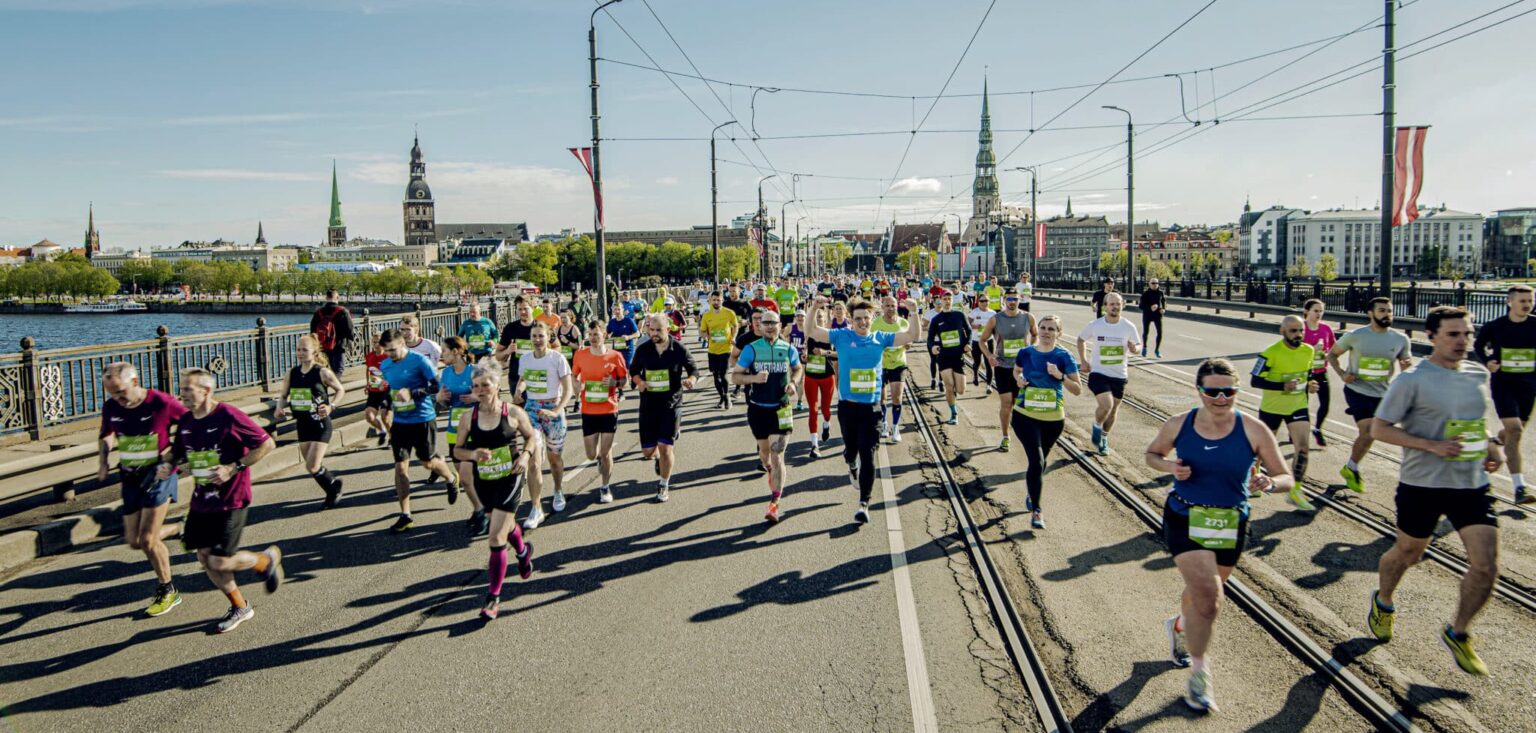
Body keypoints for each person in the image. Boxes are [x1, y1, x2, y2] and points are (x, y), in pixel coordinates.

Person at [1145, 358, 1292, 713]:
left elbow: (1286, 477)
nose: (1222, 398)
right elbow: (1152, 455)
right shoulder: (1180, 423)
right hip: (1185, 516)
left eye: (1229, 392)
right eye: (1213, 392)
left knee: (1202, 596)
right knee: (1210, 599)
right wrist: (1169, 466)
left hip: (1231, 521)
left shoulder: (1254, 429)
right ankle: (1199, 674)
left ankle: (1180, 626)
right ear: (1199, 391)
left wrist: (1269, 483)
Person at [1367, 306, 1503, 676]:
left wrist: (1491, 446)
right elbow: (1380, 429)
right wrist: (1431, 445)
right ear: (1432, 337)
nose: (1463, 341)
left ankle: (1458, 632)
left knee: (1486, 566)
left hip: (1471, 484)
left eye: (1467, 334)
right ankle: (1384, 600)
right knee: (1408, 553)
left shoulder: (1476, 373)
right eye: (1453, 334)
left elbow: (1476, 422)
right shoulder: (1412, 379)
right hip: (1422, 484)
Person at [156, 367, 283, 634]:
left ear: (206, 391)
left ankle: (263, 561)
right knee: (204, 557)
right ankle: (240, 607)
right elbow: (177, 452)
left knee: (219, 561)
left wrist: (232, 468)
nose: (182, 395)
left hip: (231, 499)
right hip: (202, 502)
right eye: (181, 389)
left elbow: (266, 443)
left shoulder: (227, 415)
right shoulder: (187, 421)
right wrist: (167, 465)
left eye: (188, 390)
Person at [804, 296, 921, 523]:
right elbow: (811, 331)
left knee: (868, 454)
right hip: (848, 407)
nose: (862, 322)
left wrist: (915, 312)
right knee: (851, 450)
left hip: (872, 408)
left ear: (872, 318)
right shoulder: (842, 336)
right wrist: (814, 308)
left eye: (866, 318)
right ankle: (850, 462)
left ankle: (864, 503)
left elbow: (912, 336)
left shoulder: (880, 338)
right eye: (857, 318)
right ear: (851, 319)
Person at [98, 362, 187, 617]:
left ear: (135, 382)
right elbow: (106, 433)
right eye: (111, 393)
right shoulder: (111, 406)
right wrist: (103, 461)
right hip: (130, 477)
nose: (117, 399)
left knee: (148, 540)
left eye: (120, 392)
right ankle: (180, 528)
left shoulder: (160, 402)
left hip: (159, 474)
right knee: (135, 541)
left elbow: (191, 423)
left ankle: (168, 590)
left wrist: (173, 453)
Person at [453, 369, 537, 621]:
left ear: (497, 385)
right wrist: (472, 454)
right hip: (485, 480)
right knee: (505, 527)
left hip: (510, 478)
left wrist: (525, 456)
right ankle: (522, 552)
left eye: (485, 385)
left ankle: (493, 597)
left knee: (495, 536)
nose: (480, 390)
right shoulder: (468, 417)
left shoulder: (513, 413)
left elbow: (531, 437)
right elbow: (457, 451)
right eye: (476, 386)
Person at [1328, 297, 1416, 498]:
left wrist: (1407, 367)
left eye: (1389, 311)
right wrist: (1342, 374)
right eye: (1382, 310)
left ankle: (1350, 466)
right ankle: (1353, 469)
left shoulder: (1400, 339)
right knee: (1368, 431)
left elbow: (1406, 365)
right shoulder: (1355, 336)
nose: (1387, 315)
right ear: (1371, 313)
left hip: (1383, 393)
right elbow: (1332, 355)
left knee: (1377, 433)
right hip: (1357, 390)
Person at [379, 327, 461, 533]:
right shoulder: (386, 365)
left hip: (423, 419)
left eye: (392, 350)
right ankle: (405, 515)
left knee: (427, 462)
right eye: (386, 350)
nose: (389, 354)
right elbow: (391, 390)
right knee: (400, 468)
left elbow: (437, 386)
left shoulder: (419, 361)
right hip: (400, 422)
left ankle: (451, 478)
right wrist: (385, 403)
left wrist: (412, 393)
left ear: (402, 344)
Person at [731, 309, 803, 524]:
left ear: (780, 325)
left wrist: (793, 383)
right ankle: (769, 468)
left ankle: (775, 502)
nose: (770, 327)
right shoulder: (751, 349)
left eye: (774, 323)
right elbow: (735, 377)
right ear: (759, 326)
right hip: (758, 409)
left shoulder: (788, 348)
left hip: (781, 408)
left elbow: (798, 369)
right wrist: (753, 378)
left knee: (777, 453)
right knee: (765, 453)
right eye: (766, 323)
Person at [1011, 315, 1081, 529]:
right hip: (1025, 415)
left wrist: (1060, 376)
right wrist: (1018, 380)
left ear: (1059, 333)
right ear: (1037, 330)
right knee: (1037, 461)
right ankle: (1037, 510)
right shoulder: (1025, 352)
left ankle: (1032, 492)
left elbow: (1077, 389)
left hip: (1052, 420)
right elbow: (1016, 370)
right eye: (1043, 327)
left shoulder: (1064, 356)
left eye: (1051, 329)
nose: (1046, 332)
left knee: (1040, 464)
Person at [1473, 284, 1536, 503]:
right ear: (1510, 302)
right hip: (1504, 384)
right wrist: (1488, 362)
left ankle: (1493, 441)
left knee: (1513, 433)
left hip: (1529, 386)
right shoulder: (1495, 326)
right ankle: (1519, 487)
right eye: (1522, 301)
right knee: (1515, 430)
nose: (1527, 305)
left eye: (1530, 301)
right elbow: (1478, 346)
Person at [1249, 315, 1319, 510]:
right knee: (1260, 450)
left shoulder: (1309, 350)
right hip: (1272, 408)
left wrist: (1311, 385)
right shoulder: (1270, 353)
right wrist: (1282, 385)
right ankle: (1252, 480)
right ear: (1282, 331)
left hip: (1298, 406)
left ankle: (1296, 489)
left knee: (1303, 448)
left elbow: (1308, 375)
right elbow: (1255, 381)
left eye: (1301, 330)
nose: (1298, 335)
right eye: (1293, 331)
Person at [629, 314, 699, 501]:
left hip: (671, 404)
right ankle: (659, 457)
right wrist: (639, 382)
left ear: (668, 329)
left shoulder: (679, 349)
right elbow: (633, 371)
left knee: (666, 447)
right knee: (648, 452)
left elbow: (694, 370)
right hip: (648, 405)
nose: (654, 333)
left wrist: (691, 380)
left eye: (658, 330)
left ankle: (663, 484)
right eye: (651, 330)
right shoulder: (643, 349)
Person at [272, 335, 346, 508]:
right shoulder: (292, 373)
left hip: (320, 423)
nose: (300, 353)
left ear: (314, 352)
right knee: (312, 466)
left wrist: (331, 406)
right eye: (298, 349)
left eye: (305, 350)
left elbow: (340, 390)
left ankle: (332, 492)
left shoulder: (322, 372)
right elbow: (284, 395)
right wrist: (279, 407)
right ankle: (333, 485)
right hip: (302, 423)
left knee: (312, 466)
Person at [516, 323, 573, 530]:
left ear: (548, 337)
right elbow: (524, 379)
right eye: (534, 336)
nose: (537, 340)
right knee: (534, 460)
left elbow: (568, 390)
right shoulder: (525, 359)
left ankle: (558, 490)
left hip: (553, 410)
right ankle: (536, 507)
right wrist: (519, 389)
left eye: (541, 336)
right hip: (532, 410)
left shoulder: (557, 358)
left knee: (554, 458)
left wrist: (557, 410)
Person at [1076, 292, 1142, 455]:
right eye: (1112, 304)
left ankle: (1104, 438)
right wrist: (1084, 361)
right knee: (1107, 405)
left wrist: (1135, 348)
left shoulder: (1128, 326)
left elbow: (1138, 346)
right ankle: (1097, 425)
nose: (1115, 307)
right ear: (1105, 306)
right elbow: (1081, 339)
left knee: (1113, 411)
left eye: (1118, 304)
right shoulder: (1096, 325)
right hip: (1099, 373)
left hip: (1119, 375)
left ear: (1123, 305)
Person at [572, 322, 628, 503]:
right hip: (588, 410)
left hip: (609, 409)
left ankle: (605, 487)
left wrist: (614, 383)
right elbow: (573, 376)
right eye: (590, 334)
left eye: (596, 334)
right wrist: (577, 386)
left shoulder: (615, 356)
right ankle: (598, 460)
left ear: (604, 335)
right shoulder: (580, 355)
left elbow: (624, 381)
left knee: (605, 452)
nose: (593, 338)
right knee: (591, 454)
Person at [437, 337, 488, 534]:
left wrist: (477, 396)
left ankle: (482, 510)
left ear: (456, 351)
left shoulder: (475, 371)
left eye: (445, 351)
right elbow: (444, 404)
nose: (442, 355)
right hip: (455, 429)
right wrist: (440, 399)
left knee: (472, 475)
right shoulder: (446, 373)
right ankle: (479, 508)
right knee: (463, 475)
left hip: (476, 426)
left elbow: (492, 395)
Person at [979, 292, 1037, 451]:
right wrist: (989, 355)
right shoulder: (995, 319)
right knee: (1006, 404)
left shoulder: (1028, 317)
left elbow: (1035, 334)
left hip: (1022, 368)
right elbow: (982, 341)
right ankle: (1005, 437)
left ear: (1019, 300)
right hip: (1003, 367)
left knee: (1021, 404)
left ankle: (1024, 433)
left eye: (1015, 299)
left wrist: (1031, 350)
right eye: (1009, 299)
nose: (1012, 302)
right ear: (1004, 301)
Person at [926, 294, 971, 425]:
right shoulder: (936, 319)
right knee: (949, 386)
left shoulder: (959, 315)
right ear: (941, 301)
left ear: (952, 301)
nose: (947, 301)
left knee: (961, 390)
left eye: (949, 299)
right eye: (944, 299)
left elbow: (969, 331)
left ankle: (954, 396)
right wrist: (933, 346)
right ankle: (954, 413)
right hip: (944, 357)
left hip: (958, 356)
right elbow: (930, 338)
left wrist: (968, 344)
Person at [873, 296, 911, 442]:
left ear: (897, 307)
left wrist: (908, 344)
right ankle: (884, 423)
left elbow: (910, 338)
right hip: (881, 364)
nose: (890, 308)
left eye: (893, 306)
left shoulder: (903, 323)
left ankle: (895, 427)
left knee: (896, 397)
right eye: (887, 305)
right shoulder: (875, 324)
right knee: (882, 398)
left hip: (898, 363)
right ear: (882, 307)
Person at [1300, 299, 1336, 448]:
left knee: (1325, 403)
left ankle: (1317, 429)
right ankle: (1298, 431)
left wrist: (1328, 355)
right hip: (1303, 372)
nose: (1319, 314)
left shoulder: (1326, 329)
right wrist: (1312, 349)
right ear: (1307, 311)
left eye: (1321, 311)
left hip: (1321, 371)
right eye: (1316, 311)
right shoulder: (1300, 328)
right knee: (1302, 404)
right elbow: (1293, 350)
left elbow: (1334, 348)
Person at [804, 307, 837, 458]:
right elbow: (803, 353)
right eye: (816, 318)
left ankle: (826, 423)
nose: (818, 320)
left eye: (820, 318)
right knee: (813, 410)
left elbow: (839, 354)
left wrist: (824, 353)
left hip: (827, 376)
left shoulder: (831, 336)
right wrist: (804, 357)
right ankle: (814, 445)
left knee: (825, 409)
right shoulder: (808, 335)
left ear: (825, 320)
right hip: (811, 375)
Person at [700, 291, 741, 408]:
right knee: (715, 375)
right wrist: (705, 336)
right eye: (714, 300)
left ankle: (727, 396)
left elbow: (735, 325)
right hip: (712, 350)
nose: (716, 302)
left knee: (723, 374)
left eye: (718, 300)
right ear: (710, 301)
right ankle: (722, 397)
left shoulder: (729, 313)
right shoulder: (706, 315)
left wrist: (733, 337)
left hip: (726, 349)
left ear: (722, 300)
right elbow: (702, 331)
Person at [495, 299, 537, 396]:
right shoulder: (510, 328)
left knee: (537, 405)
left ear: (533, 308)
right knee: (518, 405)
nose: (522, 312)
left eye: (525, 309)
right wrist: (507, 351)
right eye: (519, 309)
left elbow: (557, 346)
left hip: (537, 375)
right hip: (516, 377)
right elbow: (498, 356)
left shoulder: (541, 327)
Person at [310, 288, 355, 376]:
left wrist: (315, 344)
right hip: (339, 345)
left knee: (326, 368)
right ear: (337, 297)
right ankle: (335, 383)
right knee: (338, 369)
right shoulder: (343, 311)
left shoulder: (318, 312)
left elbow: (313, 330)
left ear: (326, 298)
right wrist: (350, 340)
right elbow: (350, 328)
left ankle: (328, 382)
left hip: (323, 345)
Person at [363, 332, 394, 448]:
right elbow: (369, 370)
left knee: (385, 417)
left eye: (379, 342)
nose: (376, 345)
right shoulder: (369, 356)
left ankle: (392, 437)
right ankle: (382, 431)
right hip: (374, 391)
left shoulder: (388, 357)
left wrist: (385, 381)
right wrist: (368, 384)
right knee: (369, 417)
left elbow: (394, 373)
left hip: (387, 391)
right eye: (374, 342)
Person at [968, 296, 996, 392]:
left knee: (989, 362)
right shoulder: (974, 312)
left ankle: (989, 385)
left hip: (989, 341)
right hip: (976, 341)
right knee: (977, 362)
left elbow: (996, 327)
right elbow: (968, 323)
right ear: (978, 302)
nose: (984, 303)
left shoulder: (993, 313)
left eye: (986, 301)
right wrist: (973, 326)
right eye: (982, 301)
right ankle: (975, 374)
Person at [1140, 278, 1167, 359]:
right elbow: (1141, 306)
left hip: (1157, 315)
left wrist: (1163, 309)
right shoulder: (1146, 293)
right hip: (1147, 315)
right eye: (1153, 283)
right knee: (1146, 332)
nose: (1155, 285)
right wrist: (1150, 308)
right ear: (1149, 284)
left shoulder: (1160, 292)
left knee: (1160, 333)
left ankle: (1157, 350)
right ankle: (1144, 347)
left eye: (1156, 283)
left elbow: (1163, 302)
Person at [606, 301, 639, 367]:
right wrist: (606, 336)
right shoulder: (611, 322)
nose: (617, 311)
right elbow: (607, 333)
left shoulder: (629, 321)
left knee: (626, 368)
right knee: (617, 368)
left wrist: (628, 337)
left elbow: (638, 334)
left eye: (619, 309)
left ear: (622, 310)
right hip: (616, 349)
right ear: (613, 311)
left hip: (627, 349)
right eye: (615, 309)